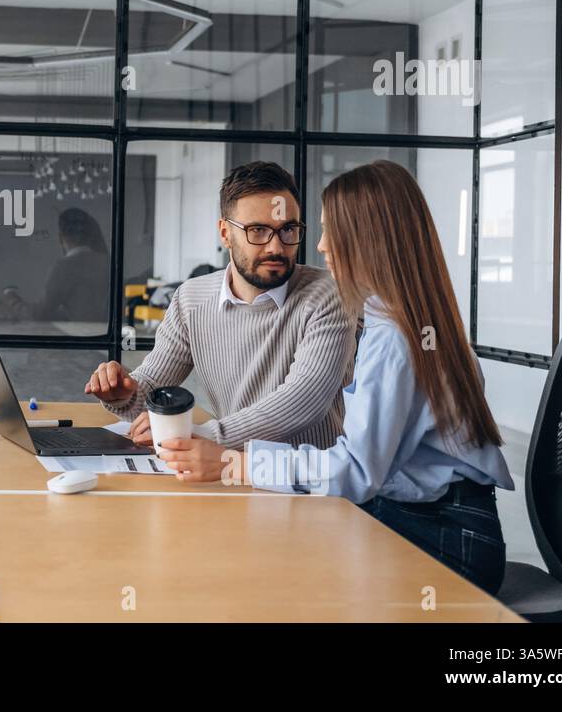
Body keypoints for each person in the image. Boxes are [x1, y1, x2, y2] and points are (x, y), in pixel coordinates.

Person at [156, 161, 514, 595]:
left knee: (279, 563)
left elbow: (358, 471)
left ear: (369, 240)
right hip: (443, 518)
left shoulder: (394, 340)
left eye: (331, 232)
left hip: (448, 537)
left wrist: (235, 463)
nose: (321, 246)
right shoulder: (405, 318)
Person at [85, 161, 352, 448]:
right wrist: (123, 394)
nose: (276, 247)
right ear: (225, 233)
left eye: (288, 229)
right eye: (258, 230)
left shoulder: (331, 295)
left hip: (309, 485)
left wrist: (205, 434)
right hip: (227, 472)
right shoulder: (192, 299)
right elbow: (149, 393)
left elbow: (304, 401)